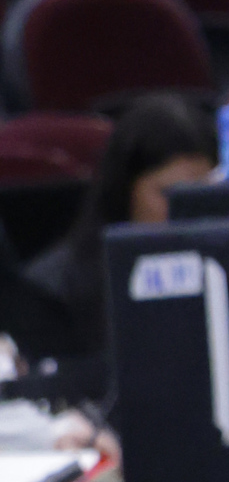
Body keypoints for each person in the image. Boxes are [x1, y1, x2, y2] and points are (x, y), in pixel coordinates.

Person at [27, 96, 215, 356]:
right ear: (125, 190)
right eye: (169, 195)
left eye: (201, 193)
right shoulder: (55, 294)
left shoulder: (228, 270)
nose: (187, 211)